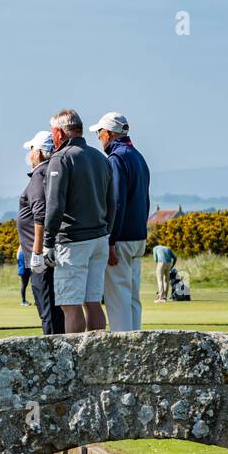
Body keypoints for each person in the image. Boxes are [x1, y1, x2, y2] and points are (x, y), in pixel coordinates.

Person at [33, 109, 115, 333]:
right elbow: (112, 203)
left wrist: (48, 243)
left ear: (59, 132)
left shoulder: (61, 158)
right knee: (93, 301)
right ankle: (96, 355)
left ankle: (75, 361)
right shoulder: (100, 157)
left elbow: (55, 206)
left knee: (70, 305)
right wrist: (107, 232)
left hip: (73, 240)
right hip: (99, 238)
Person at [92, 111, 150, 331]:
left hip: (122, 238)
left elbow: (116, 201)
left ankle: (123, 347)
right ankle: (136, 342)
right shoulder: (137, 156)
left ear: (108, 133)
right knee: (133, 297)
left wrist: (111, 239)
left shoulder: (116, 159)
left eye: (100, 134)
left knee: (118, 297)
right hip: (138, 236)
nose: (99, 138)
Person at [17, 130, 65, 334]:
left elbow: (40, 214)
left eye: (31, 150)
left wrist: (37, 252)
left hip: (41, 262)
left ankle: (54, 360)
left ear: (38, 153)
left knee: (49, 314)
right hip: (50, 256)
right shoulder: (54, 173)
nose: (29, 155)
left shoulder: (39, 175)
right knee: (56, 312)